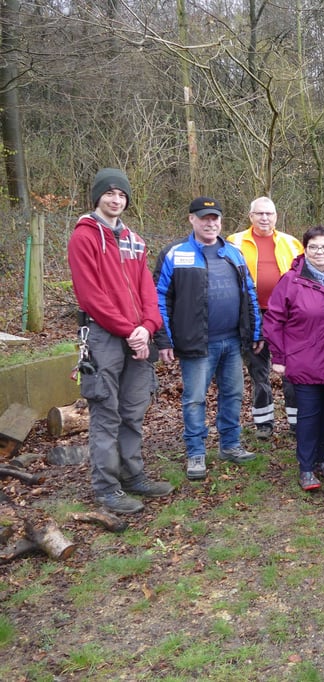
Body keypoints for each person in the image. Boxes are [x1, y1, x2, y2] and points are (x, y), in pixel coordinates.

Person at [67, 168, 173, 514]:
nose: (116, 200)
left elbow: (147, 289)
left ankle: (133, 475)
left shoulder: (134, 239)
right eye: (110, 194)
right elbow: (91, 296)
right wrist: (130, 331)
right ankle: (106, 487)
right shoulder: (84, 237)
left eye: (122, 195)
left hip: (137, 335)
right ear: (97, 197)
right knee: (106, 412)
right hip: (104, 336)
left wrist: (147, 326)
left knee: (132, 410)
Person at [155, 197, 263, 481]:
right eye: (204, 218)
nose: (210, 223)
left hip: (232, 341)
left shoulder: (233, 253)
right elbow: (160, 298)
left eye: (215, 218)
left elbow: (249, 293)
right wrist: (163, 338)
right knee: (194, 400)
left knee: (233, 394)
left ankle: (230, 444)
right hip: (197, 344)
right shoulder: (175, 254)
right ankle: (196, 453)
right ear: (192, 219)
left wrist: (255, 331)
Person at [262, 227, 324, 492]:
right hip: (304, 360)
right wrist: (279, 355)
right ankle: (306, 468)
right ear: (305, 250)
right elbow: (274, 319)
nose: (319, 252)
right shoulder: (291, 280)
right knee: (308, 415)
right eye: (313, 247)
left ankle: (321, 460)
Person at [227, 197, 304, 438]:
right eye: (259, 214)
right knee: (259, 370)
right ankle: (263, 422)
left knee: (291, 369)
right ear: (250, 216)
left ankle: (295, 421)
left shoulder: (291, 243)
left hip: (286, 316)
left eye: (269, 214)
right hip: (252, 314)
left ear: (276, 216)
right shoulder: (234, 242)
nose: (264, 218)